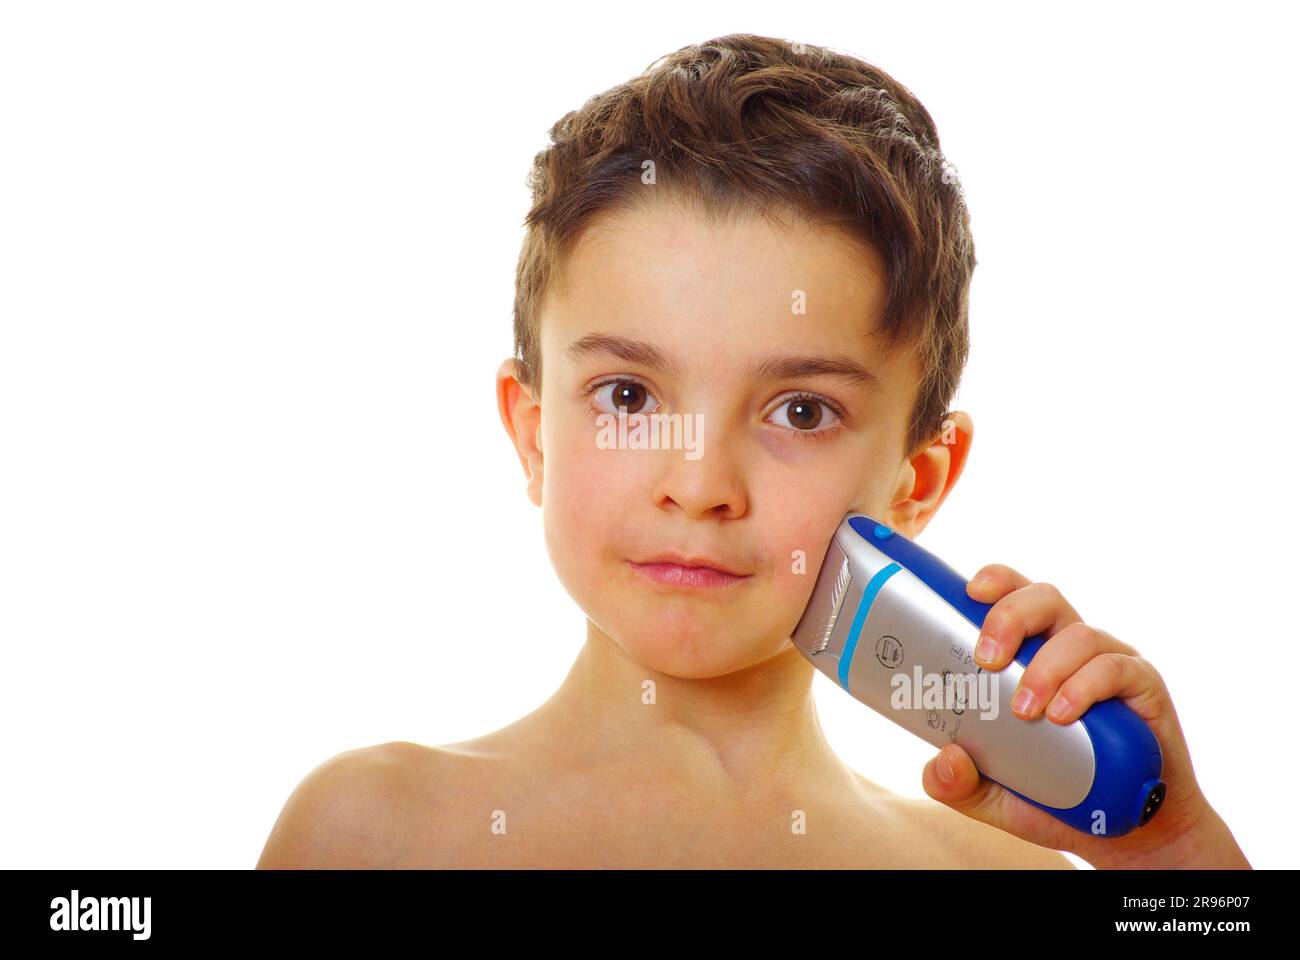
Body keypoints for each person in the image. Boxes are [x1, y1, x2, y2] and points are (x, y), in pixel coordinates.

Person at [257, 33, 1249, 869]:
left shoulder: (999, 865)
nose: (700, 485)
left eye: (801, 413)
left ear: (918, 480)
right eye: (629, 396)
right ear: (532, 434)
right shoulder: (376, 833)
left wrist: (1178, 862)